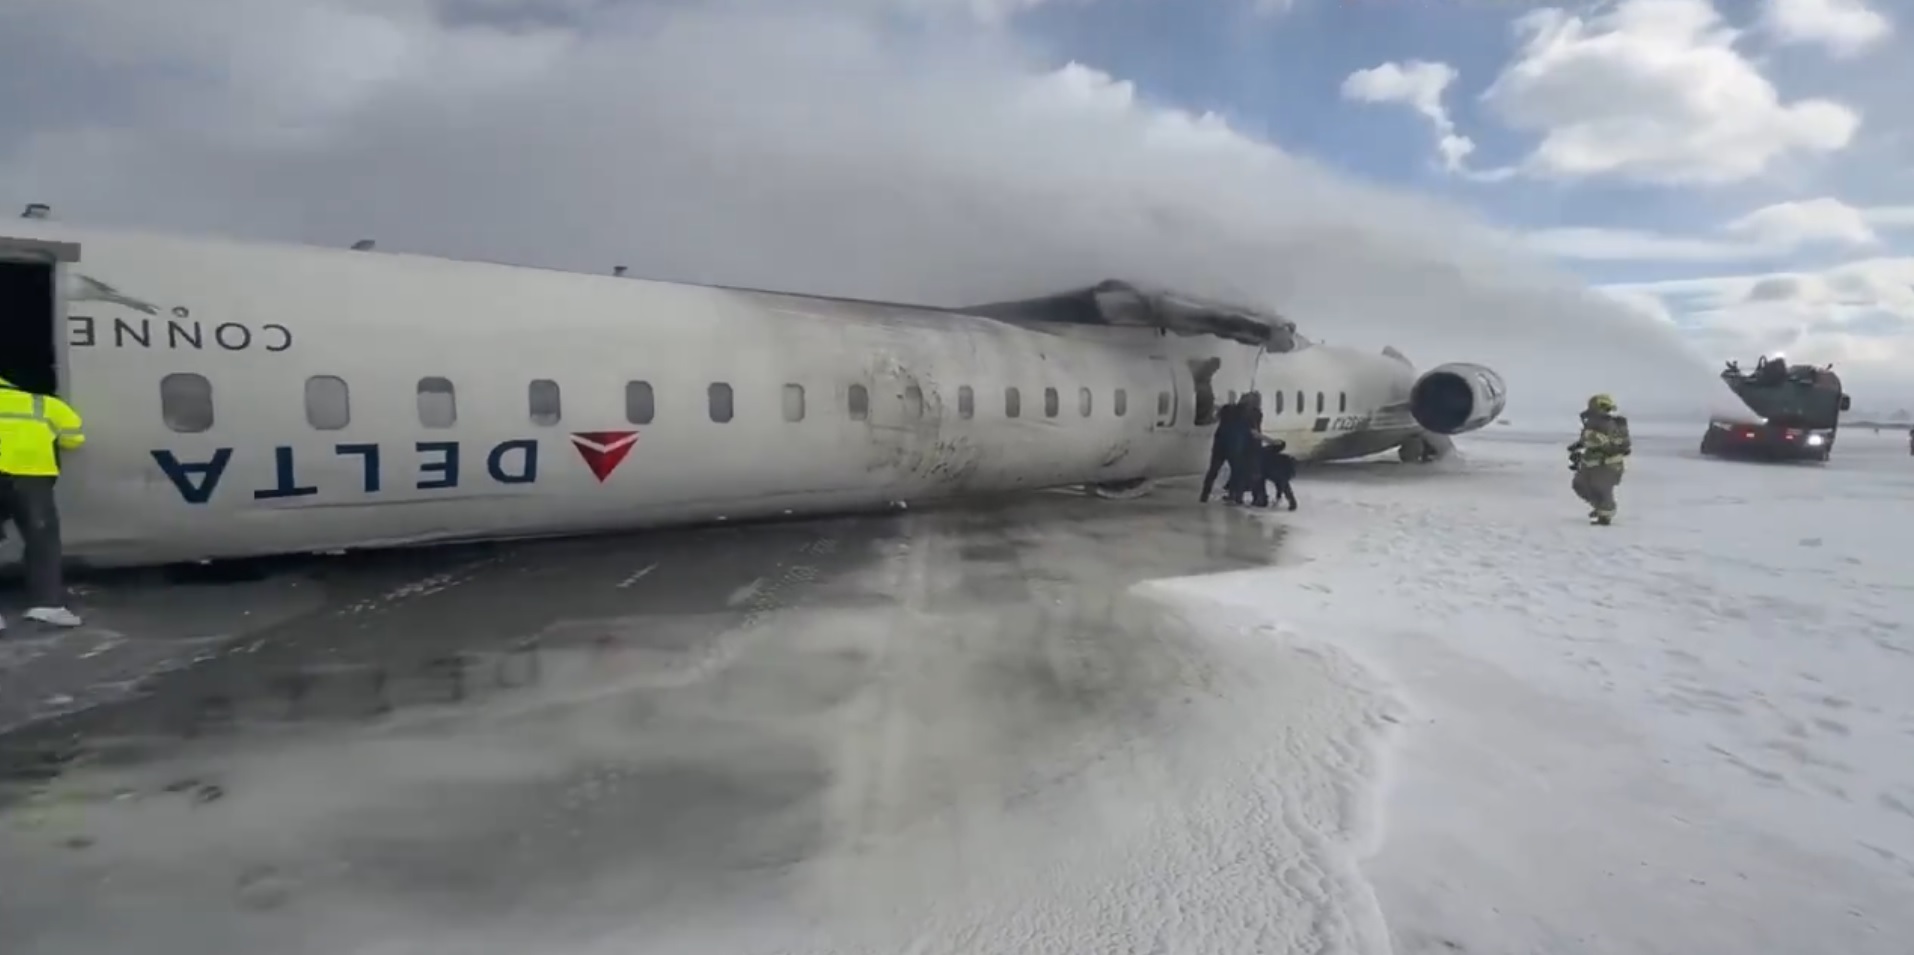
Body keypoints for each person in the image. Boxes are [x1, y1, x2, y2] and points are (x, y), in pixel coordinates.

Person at [0, 373, 86, 631]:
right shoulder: (44, 404)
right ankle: (46, 606)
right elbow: (74, 438)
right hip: (31, 478)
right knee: (41, 541)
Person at [1568, 393, 1630, 526]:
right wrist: (1577, 449)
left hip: (1608, 465)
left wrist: (1601, 444)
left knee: (1601, 488)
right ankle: (1600, 508)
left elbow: (1618, 446)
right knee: (1580, 485)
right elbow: (1587, 440)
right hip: (1591, 463)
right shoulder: (1591, 423)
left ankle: (1605, 516)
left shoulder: (1612, 424)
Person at [1199, 398, 1246, 503]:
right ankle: (1236, 496)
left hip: (1220, 445)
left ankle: (1204, 495)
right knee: (1237, 472)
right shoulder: (1243, 414)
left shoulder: (1226, 411)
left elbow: (1216, 417)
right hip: (1234, 447)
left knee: (1213, 471)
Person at [1225, 393, 1267, 506]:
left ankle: (1242, 496)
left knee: (1245, 473)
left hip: (1248, 447)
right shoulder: (1256, 414)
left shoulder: (1249, 415)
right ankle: (1251, 497)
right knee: (1250, 473)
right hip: (1252, 446)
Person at [1259, 438, 1299, 511]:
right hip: (1278, 467)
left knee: (1282, 484)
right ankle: (1287, 501)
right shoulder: (1263, 452)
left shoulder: (1262, 453)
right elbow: (1281, 445)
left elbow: (1281, 444)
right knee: (1282, 484)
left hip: (1278, 468)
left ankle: (1290, 502)